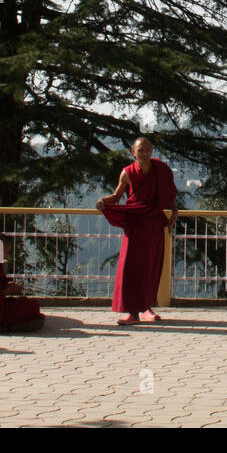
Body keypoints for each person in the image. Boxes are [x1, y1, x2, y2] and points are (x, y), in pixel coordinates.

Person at [97, 136, 178, 326]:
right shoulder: (127, 173)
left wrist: (174, 211)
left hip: (154, 225)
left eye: (148, 149)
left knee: (151, 266)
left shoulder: (162, 170)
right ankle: (132, 312)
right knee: (130, 268)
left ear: (152, 152)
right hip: (135, 225)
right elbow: (117, 197)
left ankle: (146, 308)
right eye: (140, 150)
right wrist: (103, 202)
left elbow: (170, 194)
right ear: (133, 152)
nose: (144, 153)